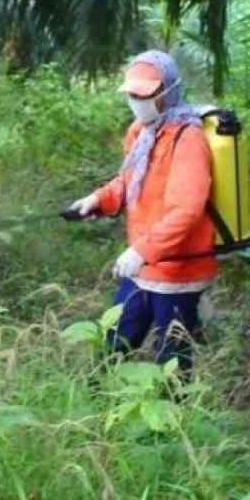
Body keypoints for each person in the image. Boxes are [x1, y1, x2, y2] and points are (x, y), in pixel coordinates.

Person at [70, 51, 217, 370]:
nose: (137, 100)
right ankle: (101, 407)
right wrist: (97, 200)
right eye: (132, 93)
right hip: (144, 265)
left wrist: (140, 251)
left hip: (177, 270)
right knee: (113, 343)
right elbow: (129, 180)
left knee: (172, 359)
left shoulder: (187, 138)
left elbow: (187, 211)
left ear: (168, 92)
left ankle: (175, 417)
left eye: (145, 94)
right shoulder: (140, 131)